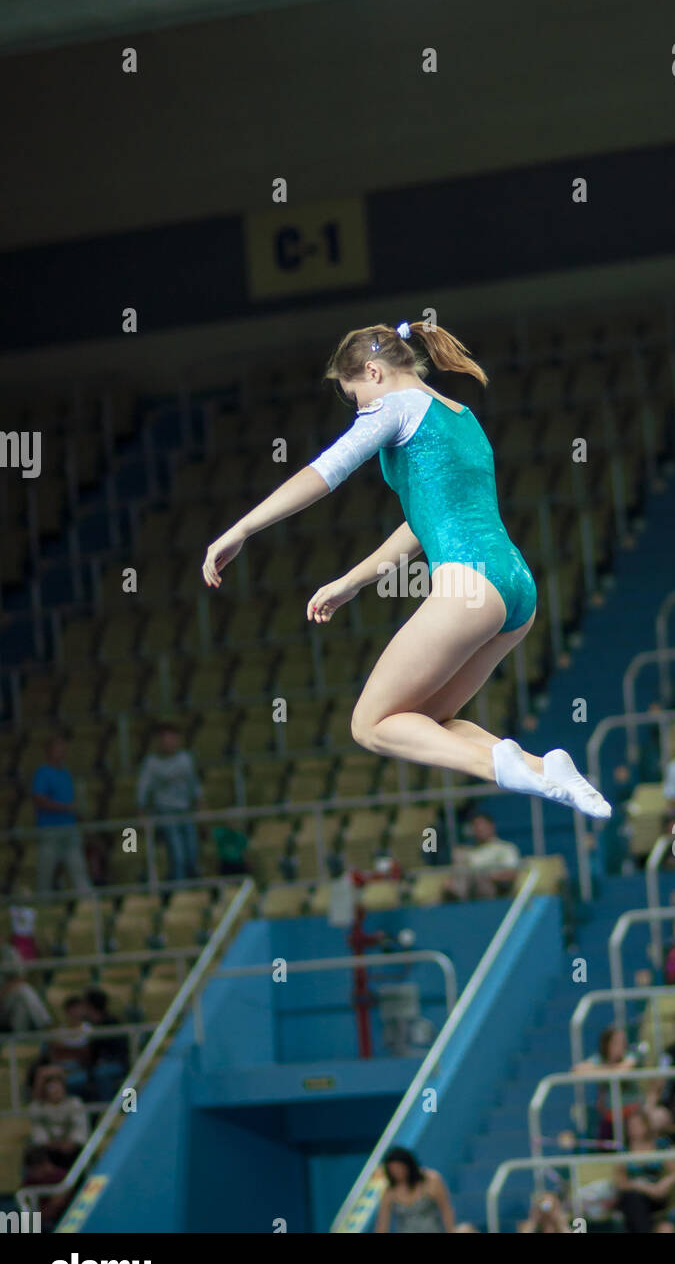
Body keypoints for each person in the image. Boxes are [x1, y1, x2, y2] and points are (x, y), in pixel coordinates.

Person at [202, 322, 611, 820]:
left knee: (369, 725)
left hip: (468, 586)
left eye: (355, 397)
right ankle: (546, 770)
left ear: (373, 372)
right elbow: (423, 523)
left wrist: (242, 528)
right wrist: (353, 581)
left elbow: (325, 471)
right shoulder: (461, 416)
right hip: (515, 587)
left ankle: (504, 769)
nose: (360, 410)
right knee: (425, 722)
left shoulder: (394, 407)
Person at [572, 1025, 665, 1143]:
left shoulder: (631, 1054)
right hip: (610, 1115)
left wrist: (601, 1071)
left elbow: (623, 1070)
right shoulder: (600, 1059)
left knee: (638, 1126)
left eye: (623, 1042)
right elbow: (578, 1070)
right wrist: (610, 1069)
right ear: (607, 1044)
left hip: (633, 1112)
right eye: (617, 1042)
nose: (622, 1046)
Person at [137, 723, 202, 881]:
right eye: (165, 739)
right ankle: (180, 890)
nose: (169, 743)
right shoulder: (151, 763)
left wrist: (201, 805)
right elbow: (142, 790)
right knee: (177, 855)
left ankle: (195, 888)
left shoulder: (185, 759)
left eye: (172, 739)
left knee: (192, 853)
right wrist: (141, 812)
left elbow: (194, 785)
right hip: (165, 813)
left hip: (186, 811)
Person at [31, 733, 91, 893]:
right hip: (50, 831)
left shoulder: (66, 773)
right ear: (48, 751)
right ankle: (43, 906)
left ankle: (87, 906)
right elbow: (39, 799)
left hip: (69, 830)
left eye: (63, 747)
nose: (61, 751)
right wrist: (65, 808)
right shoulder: (42, 773)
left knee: (78, 868)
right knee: (46, 873)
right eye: (57, 747)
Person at [612, 1109, 675, 1233]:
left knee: (634, 1205)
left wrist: (663, 1184)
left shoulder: (660, 1145)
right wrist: (644, 1187)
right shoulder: (624, 1151)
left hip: (657, 1195)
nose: (634, 1129)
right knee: (633, 1200)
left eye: (637, 1125)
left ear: (646, 1125)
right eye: (631, 1126)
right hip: (635, 1193)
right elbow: (621, 1182)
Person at [374, 1146, 455, 1233]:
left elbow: (446, 1210)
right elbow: (382, 1225)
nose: (397, 1173)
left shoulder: (431, 1180)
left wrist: (450, 1230)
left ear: (408, 1166)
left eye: (399, 1168)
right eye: (393, 1170)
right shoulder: (389, 1192)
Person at [446, 811, 521, 899]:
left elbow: (511, 874)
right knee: (458, 856)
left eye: (482, 826)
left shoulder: (506, 848)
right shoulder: (467, 851)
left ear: (492, 826)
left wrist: (489, 875)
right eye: (476, 826)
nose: (479, 829)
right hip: (468, 887)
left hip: (494, 889)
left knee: (480, 877)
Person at [28, 1065, 90, 1170]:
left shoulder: (74, 1103)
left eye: (58, 1087)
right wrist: (41, 1078)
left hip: (72, 1149)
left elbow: (80, 1127)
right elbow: (37, 1130)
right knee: (35, 1155)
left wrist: (71, 1142)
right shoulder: (38, 1107)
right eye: (51, 1088)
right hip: (48, 1150)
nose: (56, 1091)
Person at [81, 988, 130, 1102]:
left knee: (102, 1074)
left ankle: (108, 1110)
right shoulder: (90, 1025)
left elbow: (118, 1052)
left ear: (90, 1006)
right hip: (95, 1067)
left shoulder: (112, 1023)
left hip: (117, 1064)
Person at [44, 995, 92, 1096]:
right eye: (72, 1009)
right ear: (67, 1011)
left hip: (80, 1068)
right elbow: (56, 1053)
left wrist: (65, 1048)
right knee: (48, 1078)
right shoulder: (59, 1031)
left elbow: (85, 1052)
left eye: (78, 1009)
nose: (76, 1012)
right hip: (60, 1068)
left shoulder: (88, 1029)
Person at [0, 950, 52, 1033]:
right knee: (24, 990)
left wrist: (10, 987)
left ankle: (20, 1038)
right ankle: (46, 1026)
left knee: (21, 1005)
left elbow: (20, 977)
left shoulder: (8, 952)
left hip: (9, 1000)